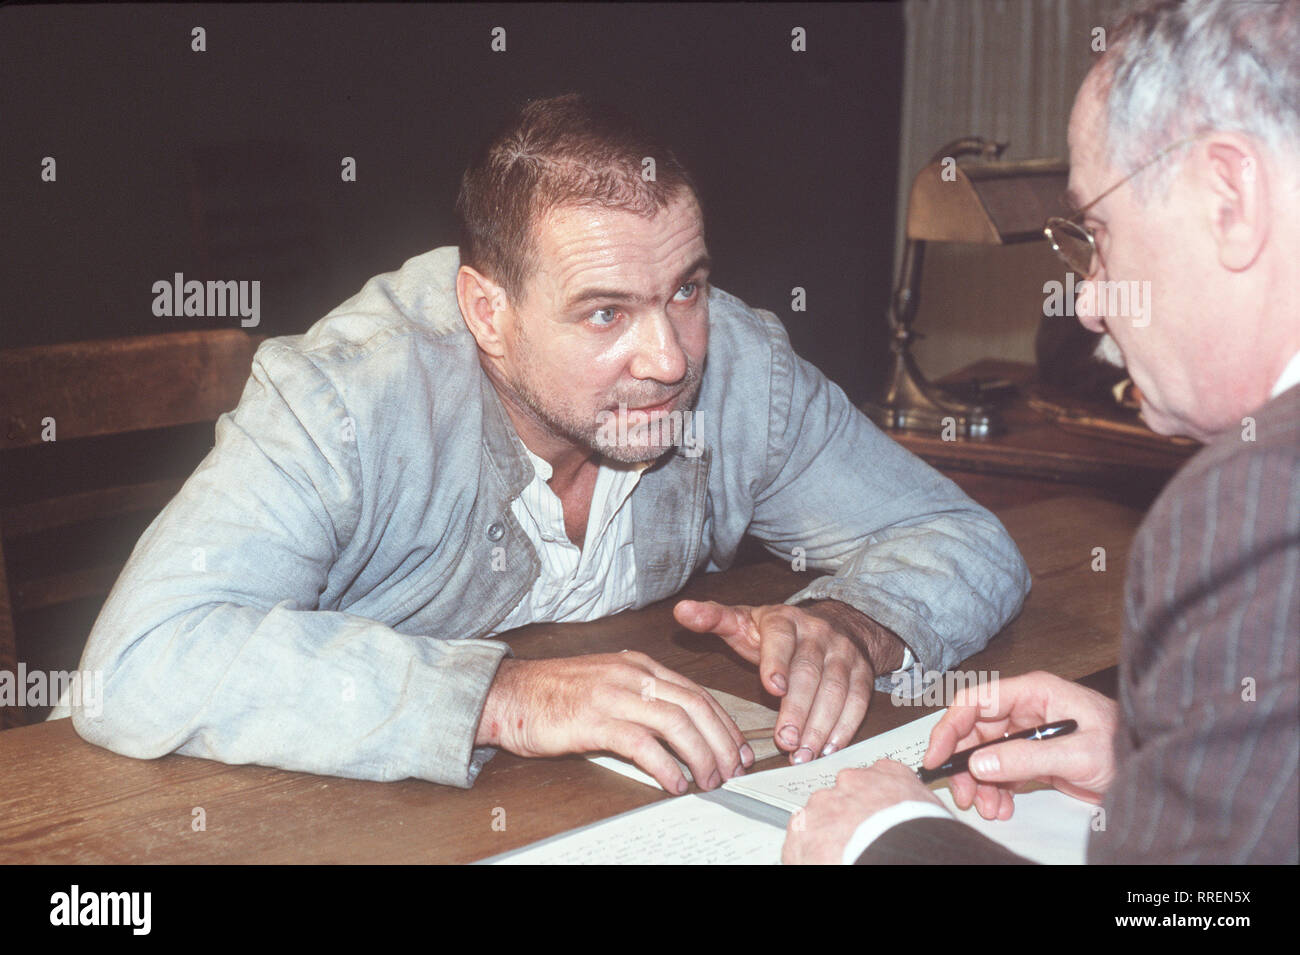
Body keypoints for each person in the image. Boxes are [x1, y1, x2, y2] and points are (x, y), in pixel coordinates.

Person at [62, 94, 1031, 794]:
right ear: (488, 311)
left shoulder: (739, 367)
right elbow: (140, 661)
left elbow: (961, 537)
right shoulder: (347, 395)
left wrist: (857, 624)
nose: (667, 357)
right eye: (603, 311)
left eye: (685, 288)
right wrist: (503, 697)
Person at [784, 0, 1299, 865]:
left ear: (1229, 197)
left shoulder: (1256, 500)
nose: (1091, 301)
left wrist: (886, 838)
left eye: (1098, 234)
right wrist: (1159, 759)